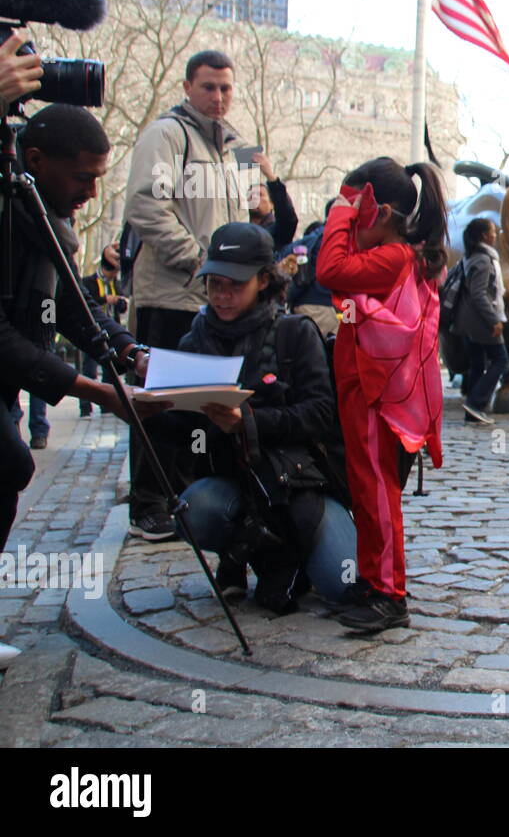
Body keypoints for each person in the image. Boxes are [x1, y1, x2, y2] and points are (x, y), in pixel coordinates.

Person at [134, 222, 354, 612]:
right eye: (214, 283)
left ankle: (285, 557)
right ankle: (243, 554)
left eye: (235, 284)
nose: (222, 295)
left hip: (298, 485)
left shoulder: (295, 333)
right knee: (193, 509)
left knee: (345, 584)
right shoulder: (194, 341)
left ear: (264, 280)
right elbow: (187, 436)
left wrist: (247, 421)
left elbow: (320, 414)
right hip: (231, 484)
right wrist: (151, 411)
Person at [0, 104, 149, 669]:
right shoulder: (8, 216)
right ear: (34, 161)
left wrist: (130, 353)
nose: (89, 191)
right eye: (81, 176)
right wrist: (95, 390)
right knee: (9, 462)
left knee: (10, 467)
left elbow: (77, 311)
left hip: (10, 388)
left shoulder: (49, 224)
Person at [316, 157, 448, 633]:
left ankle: (389, 594)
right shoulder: (398, 254)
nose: (349, 216)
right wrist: (351, 210)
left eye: (358, 207)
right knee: (368, 484)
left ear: (383, 212)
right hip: (365, 384)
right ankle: (376, 581)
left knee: (375, 487)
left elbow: (329, 267)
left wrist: (338, 209)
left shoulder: (395, 257)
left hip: (374, 389)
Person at [124, 49, 249, 353]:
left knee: (212, 398)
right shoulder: (166, 133)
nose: (218, 96)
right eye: (208, 87)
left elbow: (248, 220)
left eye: (225, 88)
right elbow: (146, 207)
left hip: (221, 303)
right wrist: (199, 262)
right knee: (169, 398)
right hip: (172, 299)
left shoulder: (236, 148)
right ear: (187, 88)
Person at [455, 217, 509, 424]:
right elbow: (479, 294)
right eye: (493, 231)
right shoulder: (484, 260)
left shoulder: (471, 257)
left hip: (469, 320)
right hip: (481, 321)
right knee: (501, 360)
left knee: (478, 363)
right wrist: (493, 320)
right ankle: (476, 403)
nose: (496, 235)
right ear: (484, 236)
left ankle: (473, 410)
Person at [79, 243, 128, 416]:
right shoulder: (89, 282)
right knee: (89, 369)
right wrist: (107, 298)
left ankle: (106, 406)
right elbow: (86, 303)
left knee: (109, 369)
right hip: (91, 329)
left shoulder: (117, 284)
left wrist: (121, 303)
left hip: (110, 328)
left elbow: (121, 307)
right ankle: (85, 407)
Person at [246, 151, 298, 250]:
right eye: (250, 194)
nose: (254, 197)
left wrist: (271, 177)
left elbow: (288, 217)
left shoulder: (278, 231)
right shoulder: (238, 230)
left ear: (272, 204)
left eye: (260, 195)